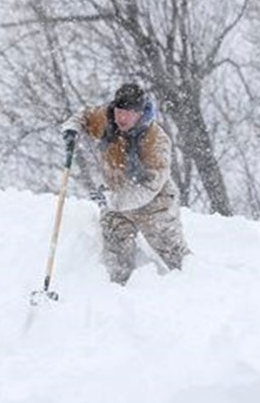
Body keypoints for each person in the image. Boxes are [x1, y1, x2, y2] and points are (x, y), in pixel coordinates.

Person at [60, 82, 190, 285]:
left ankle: (198, 293)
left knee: (177, 259)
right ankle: (118, 296)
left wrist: (112, 202)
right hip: (116, 199)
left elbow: (149, 187)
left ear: (140, 113)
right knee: (116, 259)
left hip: (155, 206)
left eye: (128, 113)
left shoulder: (157, 142)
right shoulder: (107, 120)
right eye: (119, 111)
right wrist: (72, 129)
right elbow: (84, 117)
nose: (121, 118)